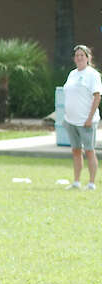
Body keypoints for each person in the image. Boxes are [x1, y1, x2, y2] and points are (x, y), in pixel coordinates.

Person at [62, 44, 101, 190]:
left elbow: (97, 96)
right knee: (76, 150)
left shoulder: (92, 75)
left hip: (86, 121)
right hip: (71, 120)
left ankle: (91, 183)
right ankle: (76, 181)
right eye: (77, 55)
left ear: (88, 57)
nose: (79, 58)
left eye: (82, 55)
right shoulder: (72, 74)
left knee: (89, 151)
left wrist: (89, 118)